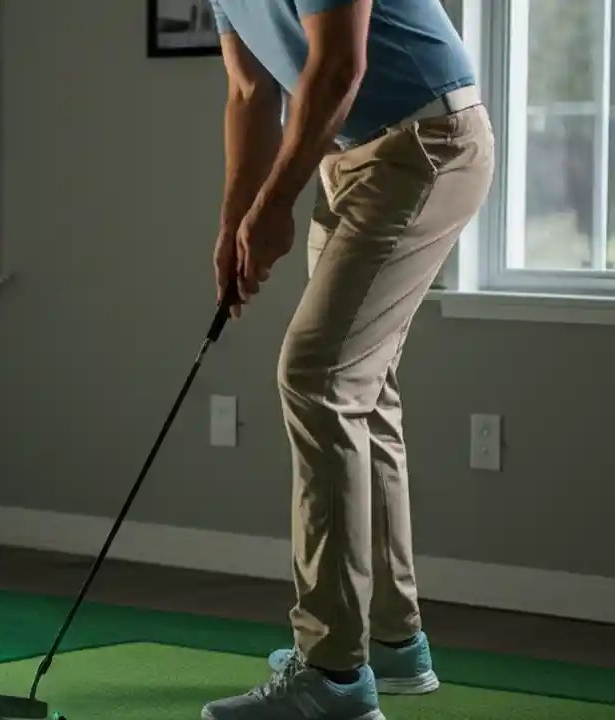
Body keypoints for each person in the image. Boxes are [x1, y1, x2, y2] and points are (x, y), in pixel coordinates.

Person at [200, 1, 493, 719]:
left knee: (317, 376)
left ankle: (332, 670)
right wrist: (236, 220)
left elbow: (338, 67)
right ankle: (391, 640)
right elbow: (249, 91)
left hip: (428, 139)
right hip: (355, 157)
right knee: (359, 387)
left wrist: (275, 206)